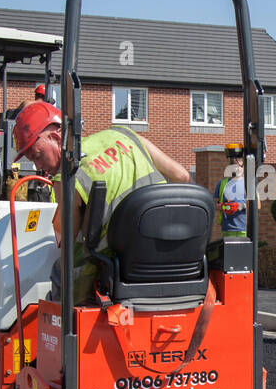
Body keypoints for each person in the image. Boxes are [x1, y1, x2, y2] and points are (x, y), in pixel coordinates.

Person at [11, 102, 190, 303]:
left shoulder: (68, 177)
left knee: (61, 272)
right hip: (171, 253)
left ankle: (67, 331)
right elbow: (182, 176)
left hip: (121, 267)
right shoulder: (124, 134)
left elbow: (68, 244)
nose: (38, 166)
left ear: (55, 137)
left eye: (37, 156)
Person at [215, 143, 250, 238]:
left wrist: (241, 206)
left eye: (238, 166)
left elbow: (257, 205)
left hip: (244, 229)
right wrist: (223, 206)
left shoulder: (248, 183)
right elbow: (216, 205)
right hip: (227, 229)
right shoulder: (222, 184)